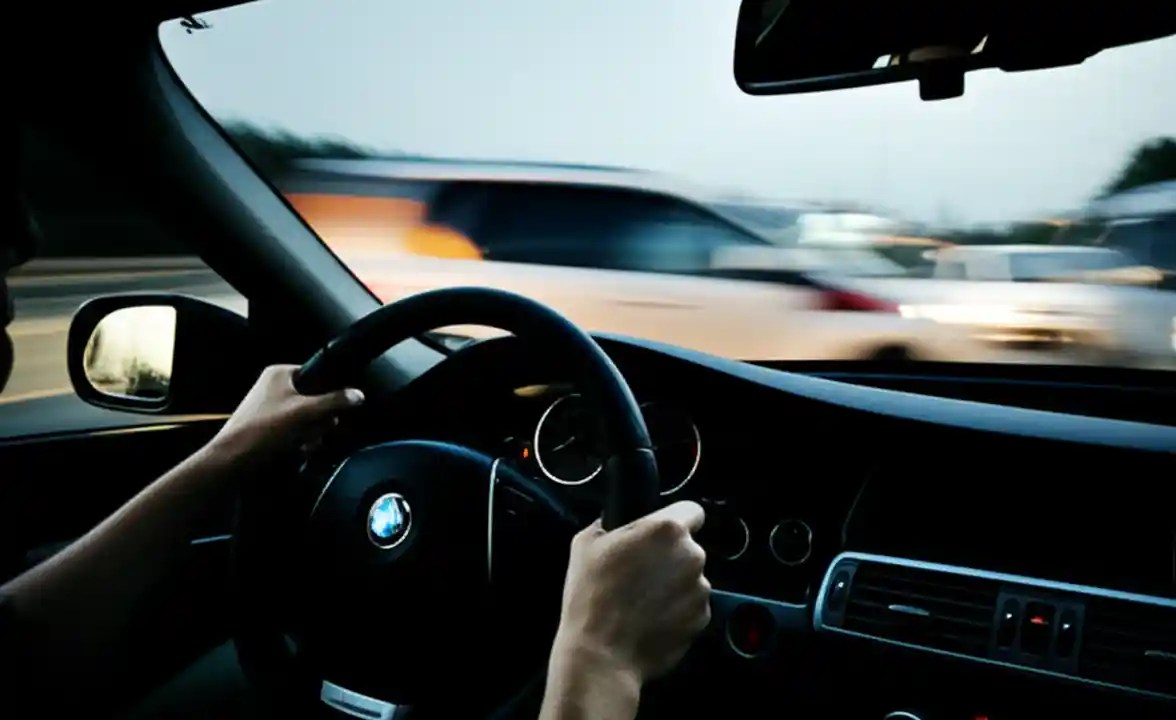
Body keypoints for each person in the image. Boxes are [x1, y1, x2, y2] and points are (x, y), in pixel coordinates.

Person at [0, 202, 709, 717]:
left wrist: (229, 456)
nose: (26, 232)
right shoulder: (603, 651)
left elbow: (21, 648)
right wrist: (602, 657)